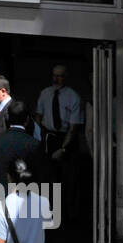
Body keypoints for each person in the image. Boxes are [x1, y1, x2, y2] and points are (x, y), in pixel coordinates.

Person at [34, 64, 84, 214]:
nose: (57, 79)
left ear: (65, 77)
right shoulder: (45, 93)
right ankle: (48, 209)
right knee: (48, 176)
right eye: (54, 75)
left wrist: (63, 148)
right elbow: (38, 116)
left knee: (68, 177)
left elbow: (73, 127)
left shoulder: (73, 96)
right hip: (49, 136)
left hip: (66, 137)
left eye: (60, 76)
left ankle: (67, 213)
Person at [0, 100, 44, 189]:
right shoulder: (35, 145)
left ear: (7, 118)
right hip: (25, 199)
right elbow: (40, 178)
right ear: (27, 120)